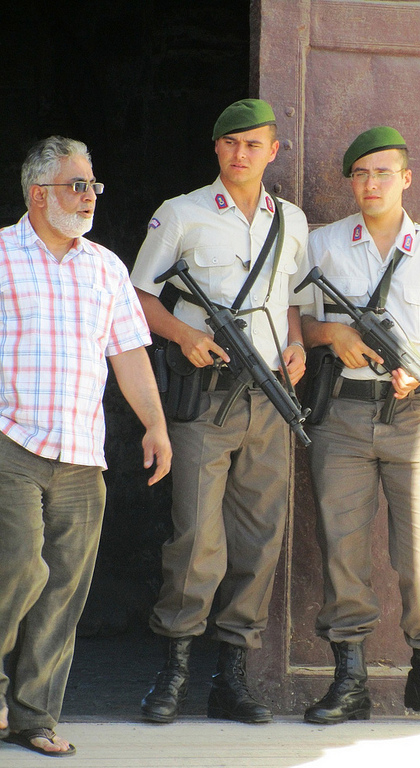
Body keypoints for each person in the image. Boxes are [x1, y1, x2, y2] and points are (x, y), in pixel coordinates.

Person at [131, 99, 310, 724]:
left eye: (254, 144)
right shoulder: (179, 215)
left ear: (273, 150)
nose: (242, 154)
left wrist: (293, 343)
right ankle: (175, 667)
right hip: (206, 394)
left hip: (269, 398)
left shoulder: (291, 220)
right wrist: (182, 336)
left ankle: (229, 675)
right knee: (197, 536)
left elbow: (288, 298)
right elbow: (138, 297)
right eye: (231, 143)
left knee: (259, 535)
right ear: (216, 149)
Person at [300, 126, 420, 728]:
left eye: (383, 173)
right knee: (342, 544)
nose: (371, 184)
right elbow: (294, 323)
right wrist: (335, 335)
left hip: (418, 415)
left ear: (406, 178)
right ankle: (348, 679)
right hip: (343, 413)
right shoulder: (321, 244)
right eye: (361, 174)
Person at [0, 136, 172, 756]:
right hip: (11, 443)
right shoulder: (0, 255)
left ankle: (34, 715)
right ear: (38, 194)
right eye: (78, 185)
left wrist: (154, 425)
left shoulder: (105, 267)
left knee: (65, 588)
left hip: (81, 453)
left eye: (93, 185)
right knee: (18, 565)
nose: (90, 196)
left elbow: (128, 351)